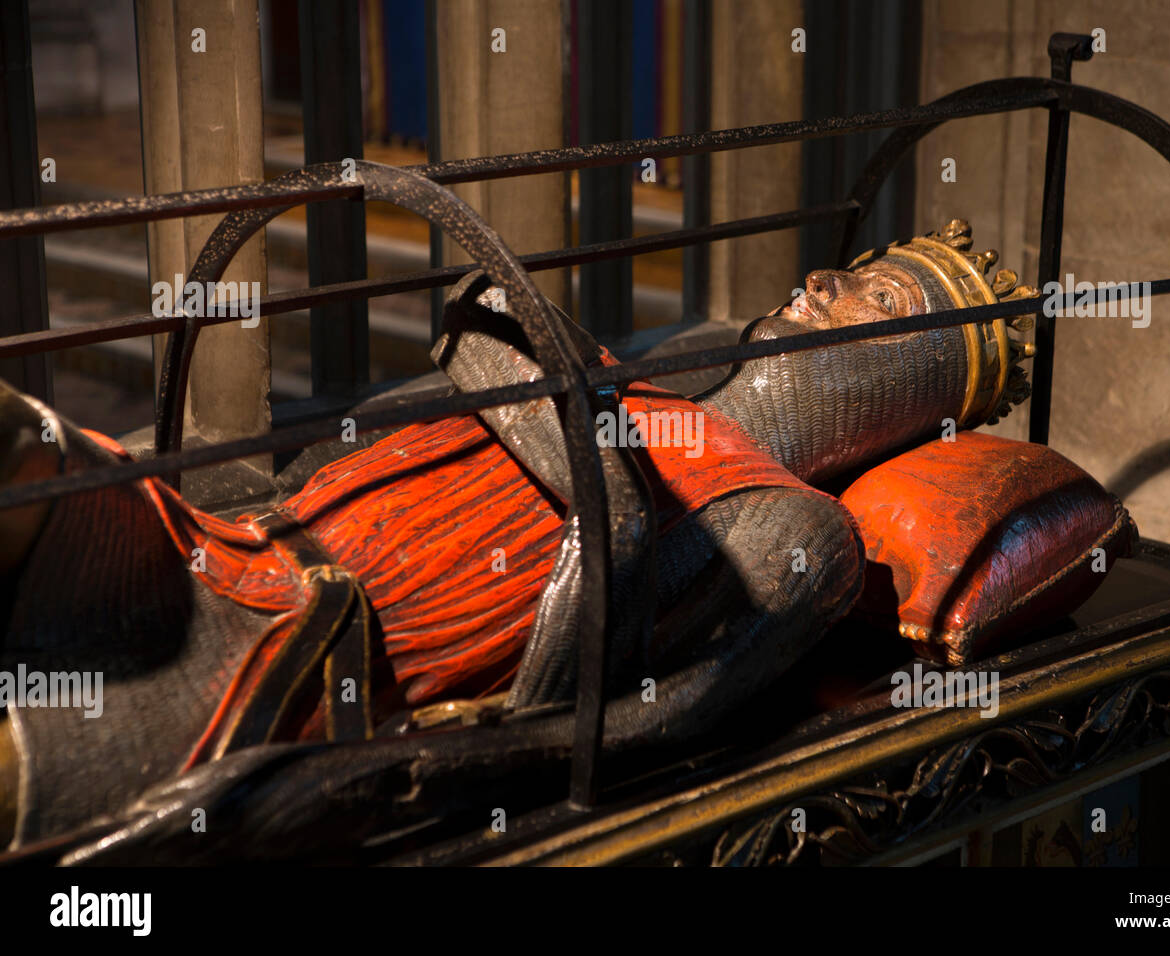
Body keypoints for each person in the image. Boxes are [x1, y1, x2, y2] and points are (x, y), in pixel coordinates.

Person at [0, 219, 1034, 851]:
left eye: (879, 298)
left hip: (304, 651)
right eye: (851, 272)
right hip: (233, 538)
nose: (823, 285)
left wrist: (381, 780)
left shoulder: (793, 530)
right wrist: (591, 445)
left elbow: (616, 722)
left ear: (918, 387)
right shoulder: (621, 388)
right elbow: (480, 307)